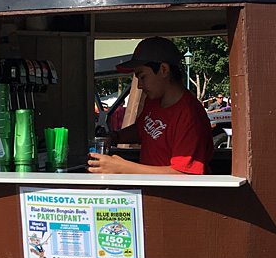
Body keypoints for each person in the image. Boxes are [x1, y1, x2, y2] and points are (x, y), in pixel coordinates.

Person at [88, 36, 213, 175]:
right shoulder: (153, 101)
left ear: (164, 69)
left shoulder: (190, 115)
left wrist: (123, 168)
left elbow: (184, 174)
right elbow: (143, 130)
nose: (140, 85)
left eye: (142, 77)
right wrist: (115, 137)